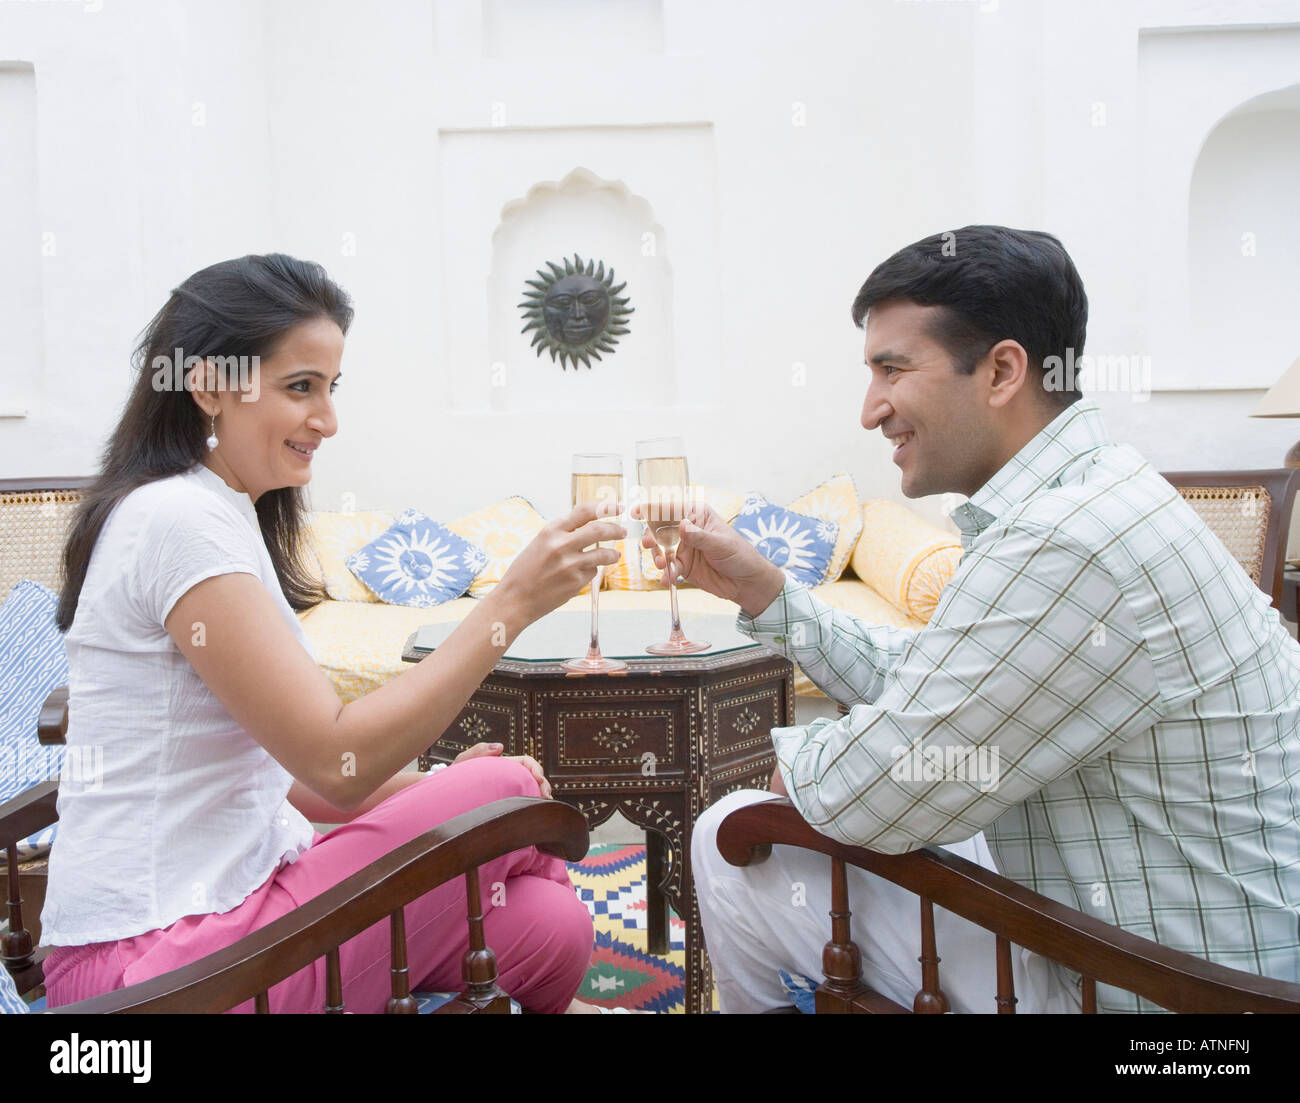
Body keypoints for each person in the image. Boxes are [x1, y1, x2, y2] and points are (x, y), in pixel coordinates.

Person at [647, 225, 1300, 1013]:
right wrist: (770, 596)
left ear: (1001, 370)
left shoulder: (1064, 544)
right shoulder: (1098, 494)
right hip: (1156, 938)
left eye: (892, 368)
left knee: (734, 838)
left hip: (1165, 990)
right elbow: (941, 684)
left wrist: (809, 763)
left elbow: (867, 791)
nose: (869, 410)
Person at [40, 253, 625, 1013]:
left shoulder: (219, 510)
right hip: (153, 966)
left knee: (548, 926)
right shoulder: (175, 521)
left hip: (227, 916)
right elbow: (334, 761)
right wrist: (508, 604)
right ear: (209, 386)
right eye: (300, 387)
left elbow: (277, 773)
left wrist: (425, 787)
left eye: (330, 387)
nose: (328, 419)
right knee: (503, 792)